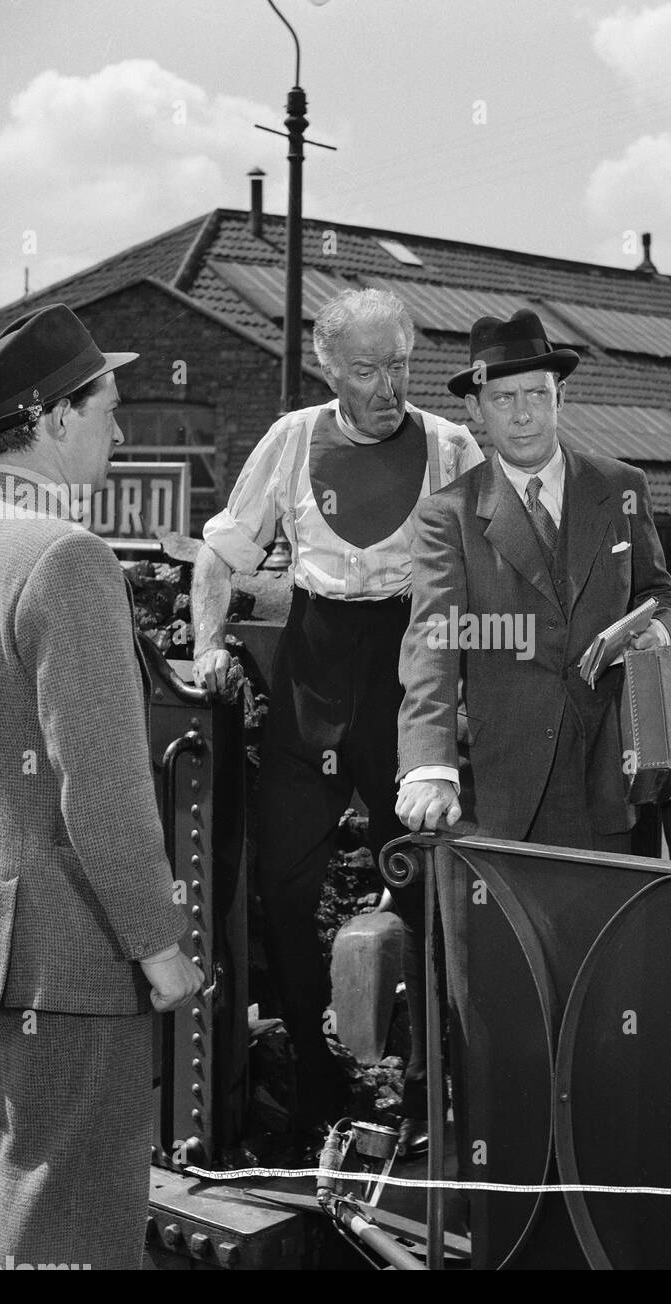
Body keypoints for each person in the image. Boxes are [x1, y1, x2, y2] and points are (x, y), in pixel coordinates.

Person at [0, 304, 202, 1272]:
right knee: (64, 1211)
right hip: (66, 951)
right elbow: (100, 793)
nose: (122, 428)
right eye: (108, 406)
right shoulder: (67, 558)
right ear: (57, 419)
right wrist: (158, 944)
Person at [191, 289, 482, 1149]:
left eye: (400, 365)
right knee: (282, 884)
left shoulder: (451, 446)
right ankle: (315, 1079)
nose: (390, 385)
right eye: (368, 369)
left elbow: (487, 569)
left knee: (427, 881)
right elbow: (222, 551)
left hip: (408, 668)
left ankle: (431, 1091)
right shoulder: (288, 439)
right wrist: (209, 643)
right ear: (329, 368)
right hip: (314, 664)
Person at [396, 308, 671, 848]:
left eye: (536, 394)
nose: (523, 414)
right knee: (506, 934)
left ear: (560, 397)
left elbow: (661, 597)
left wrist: (662, 631)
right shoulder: (449, 515)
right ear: (474, 408)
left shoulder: (622, 487)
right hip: (501, 788)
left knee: (621, 928)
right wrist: (428, 764)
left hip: (615, 777)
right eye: (503, 399)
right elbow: (433, 643)